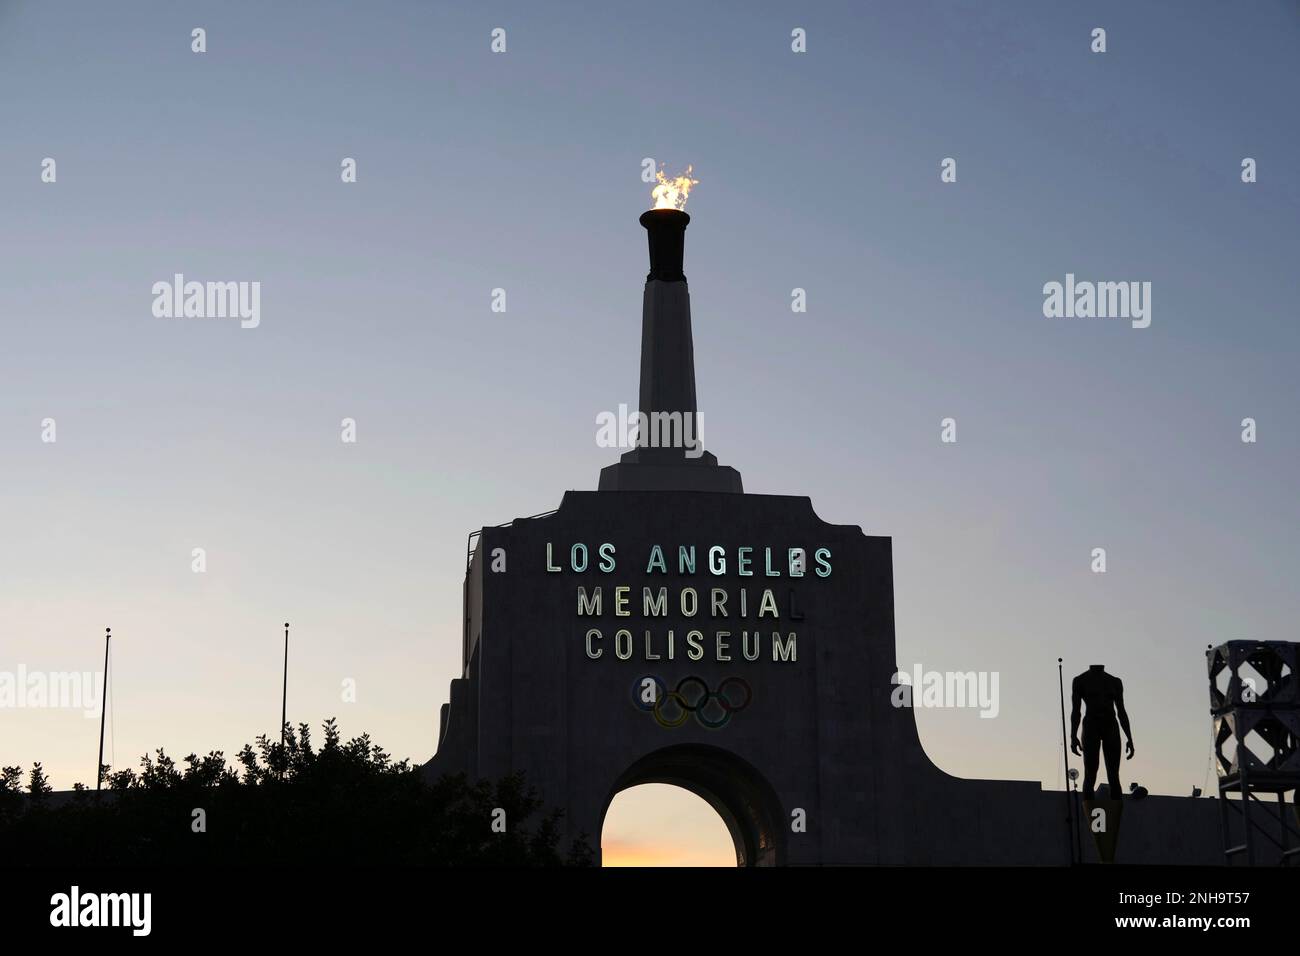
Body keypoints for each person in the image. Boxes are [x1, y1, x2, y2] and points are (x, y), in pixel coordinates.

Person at [1070, 664, 1134, 801]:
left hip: (1110, 725)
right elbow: (1076, 711)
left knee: (1114, 776)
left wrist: (1129, 737)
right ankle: (1090, 817)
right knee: (1090, 774)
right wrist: (1073, 735)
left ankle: (1114, 818)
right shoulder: (1080, 680)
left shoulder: (1115, 682)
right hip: (1091, 726)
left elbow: (1121, 711)